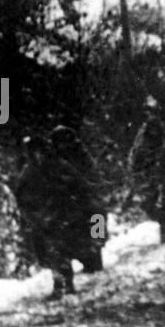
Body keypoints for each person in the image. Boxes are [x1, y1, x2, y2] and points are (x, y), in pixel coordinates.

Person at [14, 126, 107, 299]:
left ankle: (89, 261)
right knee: (52, 252)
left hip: (67, 215)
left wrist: (74, 204)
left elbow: (82, 187)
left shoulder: (61, 164)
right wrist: (37, 217)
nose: (38, 156)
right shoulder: (29, 172)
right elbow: (22, 198)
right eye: (34, 152)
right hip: (47, 219)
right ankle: (63, 283)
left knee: (93, 224)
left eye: (40, 151)